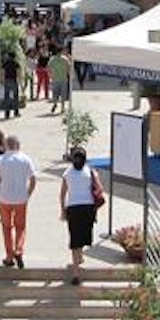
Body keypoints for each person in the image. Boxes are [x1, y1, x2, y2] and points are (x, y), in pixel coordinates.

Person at [0, 135, 37, 269]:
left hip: (4, 198)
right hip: (21, 199)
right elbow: (33, 179)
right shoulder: (25, 159)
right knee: (20, 227)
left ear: (6, 145)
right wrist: (28, 194)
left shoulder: (0, 159)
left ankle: (9, 256)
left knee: (6, 228)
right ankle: (19, 250)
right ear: (18, 145)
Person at [59, 147, 101, 285]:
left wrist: (63, 211)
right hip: (88, 208)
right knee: (83, 236)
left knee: (75, 238)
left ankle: (76, 272)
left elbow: (62, 195)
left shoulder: (67, 173)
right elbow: (100, 190)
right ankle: (79, 258)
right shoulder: (91, 172)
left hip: (73, 208)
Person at [47, 46, 71, 115]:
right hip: (63, 78)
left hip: (55, 78)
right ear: (61, 51)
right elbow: (69, 67)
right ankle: (62, 108)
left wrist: (50, 76)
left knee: (55, 93)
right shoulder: (65, 59)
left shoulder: (52, 59)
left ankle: (55, 103)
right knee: (63, 94)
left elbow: (48, 68)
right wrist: (69, 75)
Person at [1, 54, 20, 119]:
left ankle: (7, 113)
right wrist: (19, 80)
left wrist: (2, 80)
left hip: (7, 81)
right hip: (13, 81)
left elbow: (2, 72)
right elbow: (18, 72)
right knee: (15, 97)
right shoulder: (16, 63)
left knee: (7, 97)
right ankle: (16, 112)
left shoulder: (5, 63)